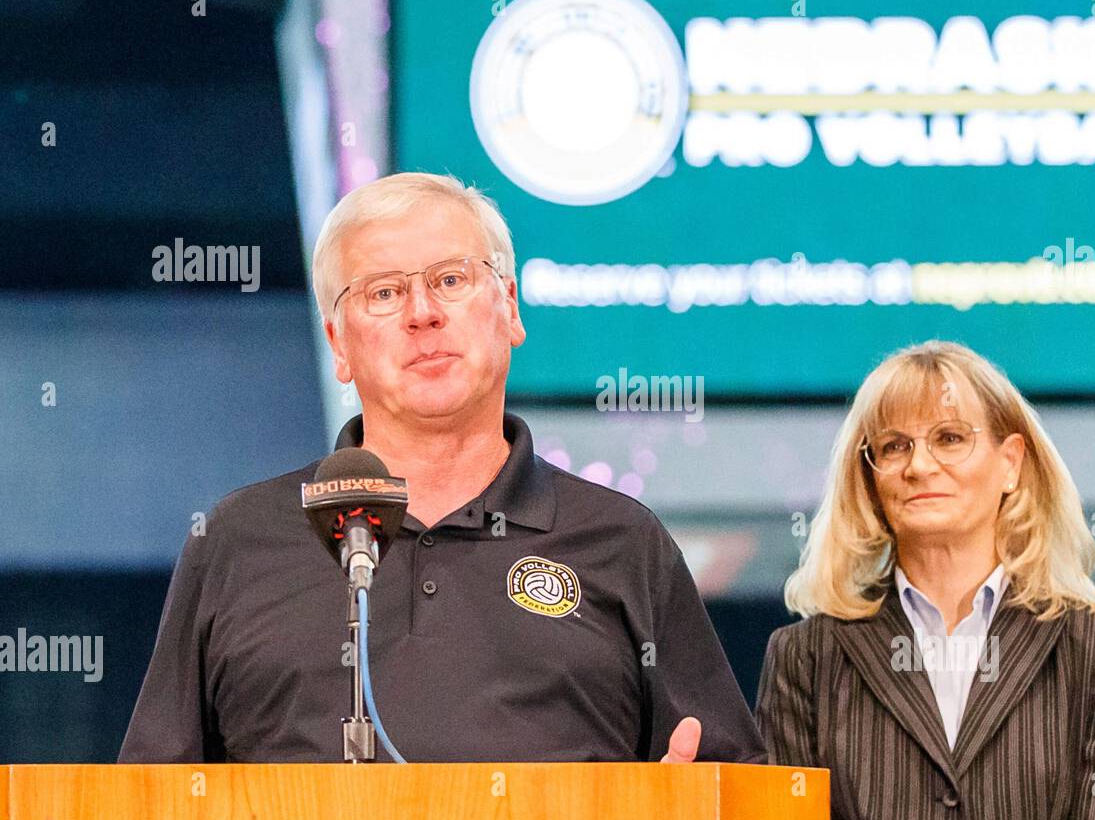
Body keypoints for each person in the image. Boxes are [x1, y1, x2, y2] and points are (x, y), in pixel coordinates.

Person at [119, 172, 764, 765]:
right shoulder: (239, 539)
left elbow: (734, 789)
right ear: (339, 343)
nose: (422, 312)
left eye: (451, 279)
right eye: (384, 292)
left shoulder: (622, 541)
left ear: (510, 307)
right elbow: (141, 808)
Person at [756, 340, 1095, 820]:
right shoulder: (804, 657)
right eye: (894, 446)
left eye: (949, 438)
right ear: (870, 478)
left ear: (1010, 462)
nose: (919, 466)